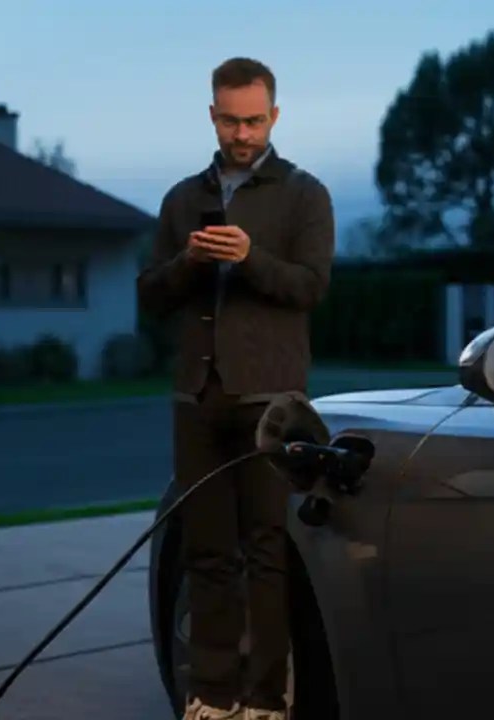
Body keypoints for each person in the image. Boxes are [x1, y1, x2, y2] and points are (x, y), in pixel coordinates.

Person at [136, 57, 335, 720]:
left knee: (267, 553)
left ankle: (266, 700)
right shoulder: (181, 198)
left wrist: (250, 258)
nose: (242, 133)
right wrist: (189, 261)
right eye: (229, 120)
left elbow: (310, 287)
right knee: (206, 554)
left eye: (253, 120)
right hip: (197, 398)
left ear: (274, 116)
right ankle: (212, 695)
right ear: (212, 116)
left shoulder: (305, 194)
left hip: (268, 400)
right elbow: (150, 295)